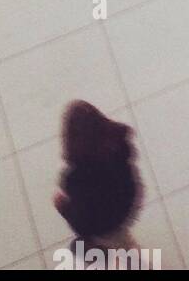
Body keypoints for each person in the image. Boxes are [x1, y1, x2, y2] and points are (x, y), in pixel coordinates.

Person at [53, 101, 143, 263]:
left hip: (104, 224)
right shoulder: (119, 146)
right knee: (124, 243)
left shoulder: (76, 178)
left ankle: (109, 259)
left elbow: (82, 222)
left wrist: (63, 208)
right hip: (123, 209)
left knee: (87, 245)